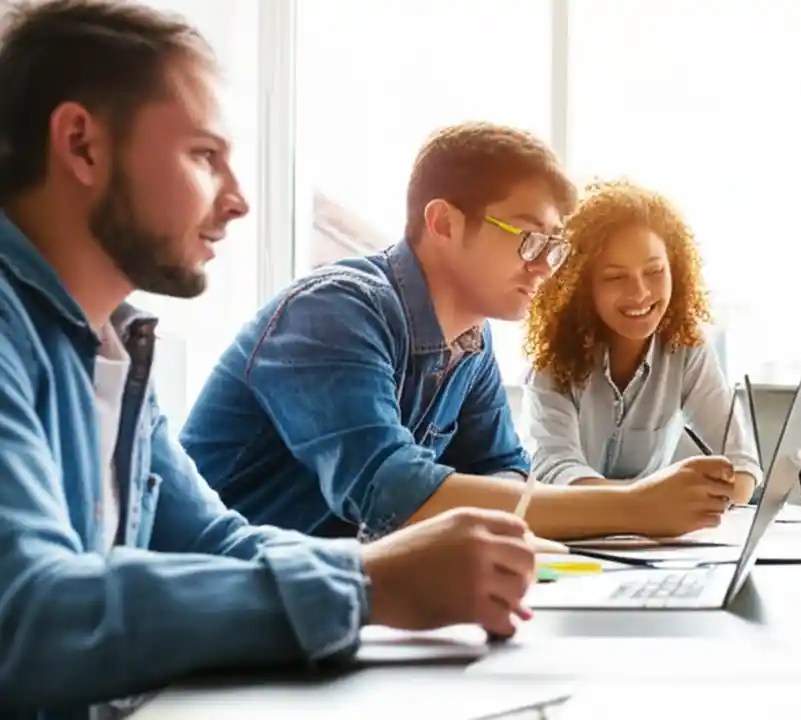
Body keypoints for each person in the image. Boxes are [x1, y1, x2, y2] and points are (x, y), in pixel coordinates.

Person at [0, 2, 539, 718]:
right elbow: (27, 615)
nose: (239, 201)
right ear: (82, 144)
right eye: (204, 155)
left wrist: (392, 572)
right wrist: (368, 585)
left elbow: (212, 541)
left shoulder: (112, 345)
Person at [180, 127, 728, 542]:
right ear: (443, 222)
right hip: (221, 611)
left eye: (553, 246)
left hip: (338, 603)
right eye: (529, 237)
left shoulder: (471, 341)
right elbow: (392, 493)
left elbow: (503, 469)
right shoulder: (332, 312)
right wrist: (633, 507)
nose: (545, 265)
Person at [521, 179, 760, 509]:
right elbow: (555, 471)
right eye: (615, 277)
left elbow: (742, 467)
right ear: (582, 286)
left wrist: (678, 501)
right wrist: (650, 503)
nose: (640, 293)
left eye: (654, 271)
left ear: (675, 270)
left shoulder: (685, 345)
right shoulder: (554, 355)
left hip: (651, 534)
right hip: (567, 529)